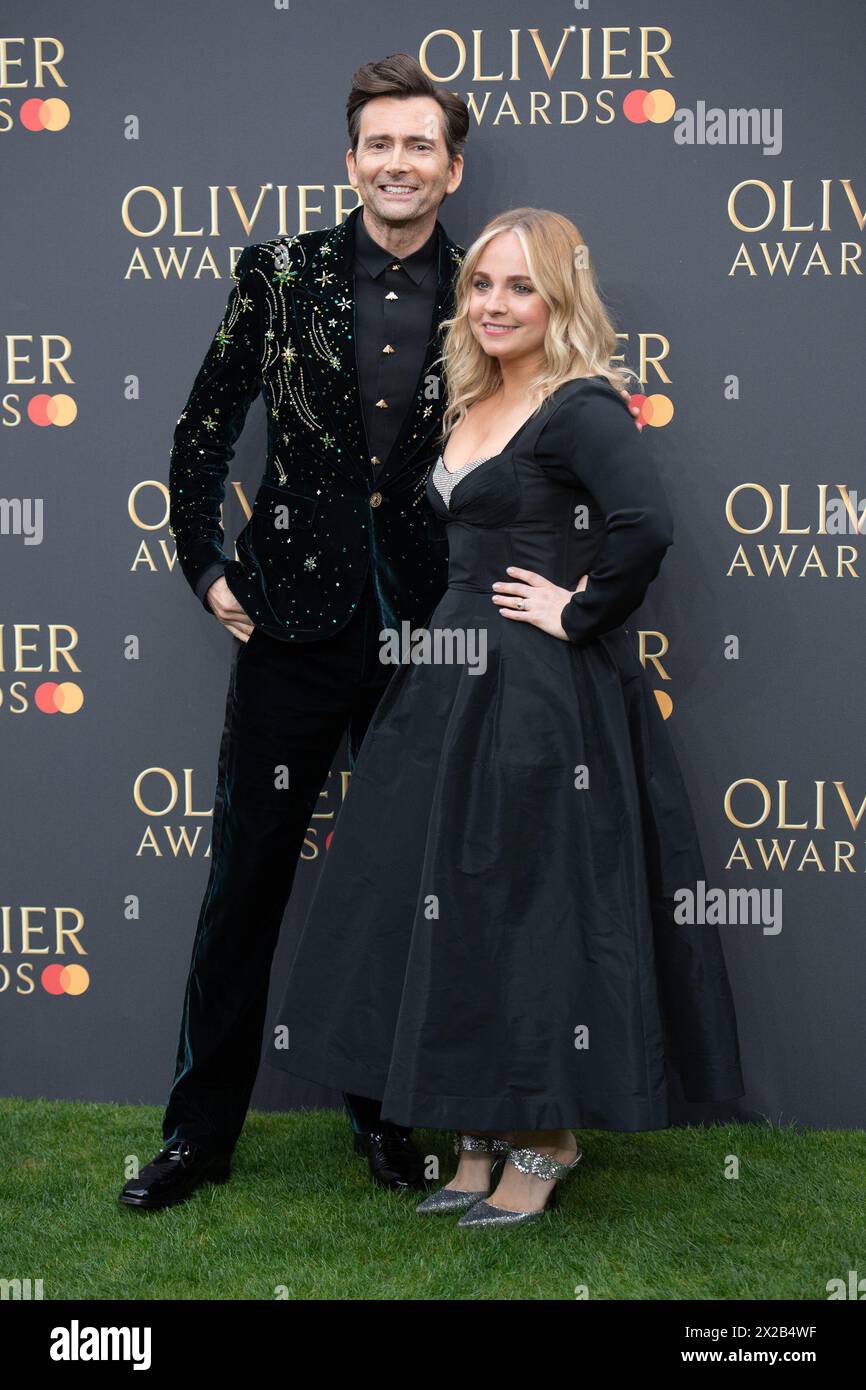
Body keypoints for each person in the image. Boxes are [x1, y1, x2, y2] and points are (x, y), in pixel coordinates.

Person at [117, 53, 641, 1212]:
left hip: (437, 634)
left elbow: (554, 441)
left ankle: (393, 1130)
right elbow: (203, 429)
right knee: (245, 883)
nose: (395, 163)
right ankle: (196, 1137)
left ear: (451, 168)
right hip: (293, 625)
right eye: (376, 144)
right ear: (349, 158)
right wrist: (205, 565)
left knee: (410, 885)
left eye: (419, 145)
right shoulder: (278, 271)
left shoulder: (484, 289)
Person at [267, 206, 746, 1228]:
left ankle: (546, 1135)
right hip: (447, 680)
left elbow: (644, 525)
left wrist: (576, 610)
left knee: (522, 904)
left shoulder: (578, 406)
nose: (492, 303)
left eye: (519, 286)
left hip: (531, 693)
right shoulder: (474, 399)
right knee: (453, 898)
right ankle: (477, 1133)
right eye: (481, 284)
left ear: (558, 298)